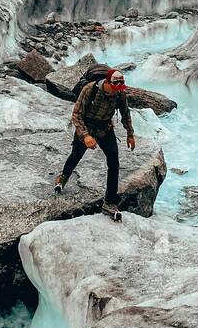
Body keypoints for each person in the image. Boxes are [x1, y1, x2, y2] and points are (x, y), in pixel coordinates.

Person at [54, 68, 136, 221]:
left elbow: (125, 113)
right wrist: (85, 136)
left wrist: (130, 134)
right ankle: (63, 178)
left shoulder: (120, 93)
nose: (117, 91)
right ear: (107, 82)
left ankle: (110, 203)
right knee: (76, 155)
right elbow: (76, 115)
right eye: (115, 88)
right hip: (86, 125)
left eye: (119, 88)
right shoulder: (89, 89)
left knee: (114, 163)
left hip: (105, 128)